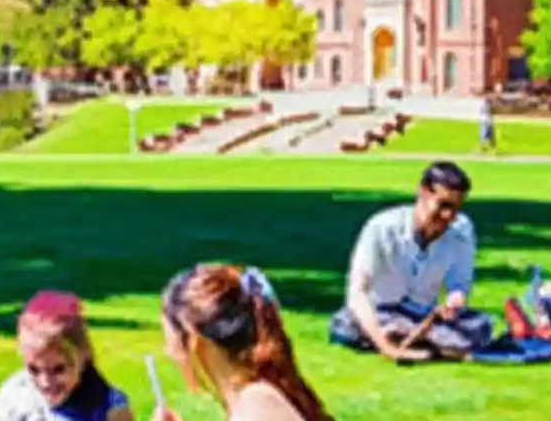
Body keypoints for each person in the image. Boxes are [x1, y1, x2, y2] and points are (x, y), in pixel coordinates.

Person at [328, 161, 492, 362]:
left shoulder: (462, 231)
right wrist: (387, 348)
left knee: (481, 325)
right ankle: (408, 340)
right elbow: (357, 293)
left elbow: (459, 283)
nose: (448, 216)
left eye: (455, 209)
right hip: (381, 311)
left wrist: (455, 299)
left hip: (424, 317)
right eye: (443, 206)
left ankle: (408, 337)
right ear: (422, 193)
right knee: (345, 323)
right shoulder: (382, 227)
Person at [154, 264, 330, 421]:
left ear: (195, 341)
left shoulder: (258, 407)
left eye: (172, 340)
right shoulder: (258, 398)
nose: (169, 351)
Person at [0, 290, 133, 421]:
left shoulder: (109, 408)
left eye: (58, 369)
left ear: (83, 355)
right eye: (34, 369)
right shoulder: (16, 395)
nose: (46, 382)